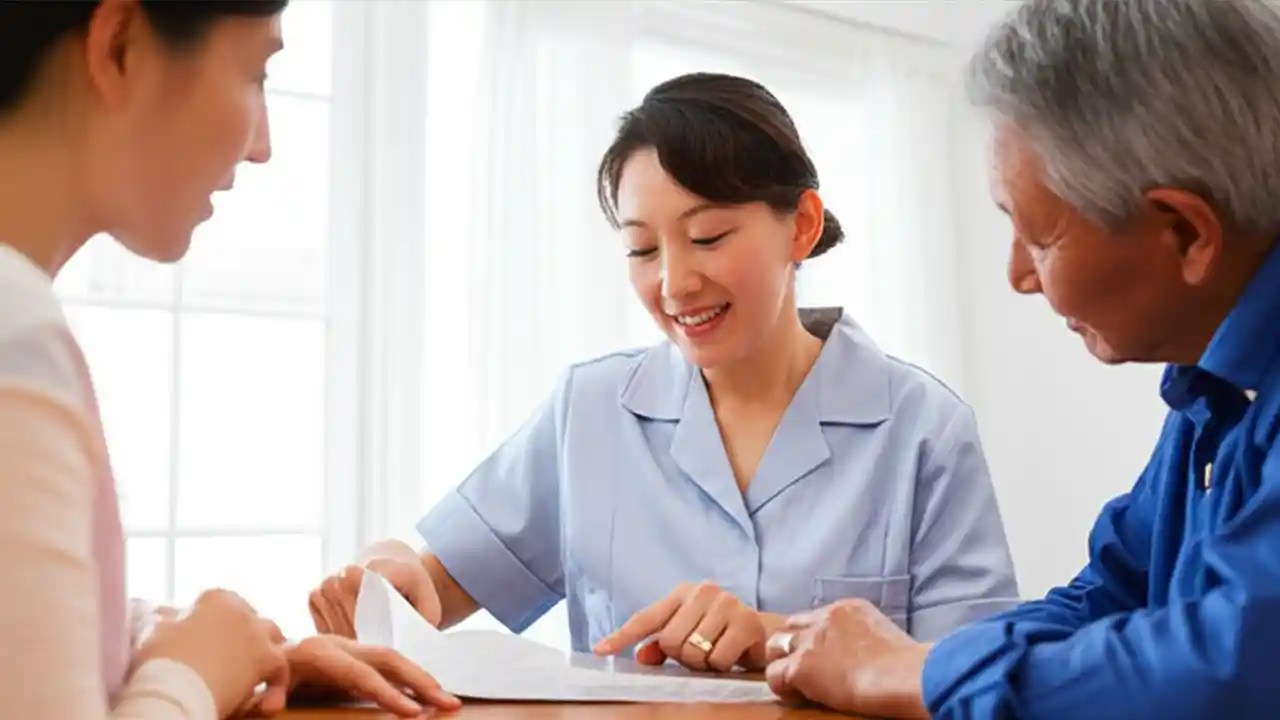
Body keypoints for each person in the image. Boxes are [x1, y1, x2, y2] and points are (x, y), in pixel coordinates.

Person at [310, 72, 1019, 675]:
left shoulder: (924, 429)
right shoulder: (589, 411)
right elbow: (438, 583)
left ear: (802, 225)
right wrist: (392, 576)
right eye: (642, 250)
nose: (675, 284)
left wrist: (778, 636)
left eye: (708, 237)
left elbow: (979, 680)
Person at [760, 1, 1280, 718]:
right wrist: (895, 661)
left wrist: (920, 675)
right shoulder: (1211, 394)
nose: (1018, 274)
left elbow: (1231, 666)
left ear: (1187, 232)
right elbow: (1112, 593)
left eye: (1039, 238)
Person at [0, 1, 461, 718]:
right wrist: (186, 679)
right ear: (121, 46)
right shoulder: (15, 334)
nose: (262, 145)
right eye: (255, 72)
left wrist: (213, 653)